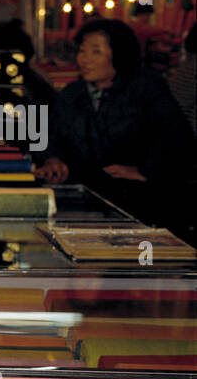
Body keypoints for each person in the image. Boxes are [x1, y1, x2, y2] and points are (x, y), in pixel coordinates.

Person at [35, 18, 195, 237]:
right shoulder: (72, 94)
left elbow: (177, 138)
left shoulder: (146, 89)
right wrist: (54, 160)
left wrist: (145, 171)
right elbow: (52, 135)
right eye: (82, 51)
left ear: (119, 55)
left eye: (96, 52)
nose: (85, 59)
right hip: (85, 207)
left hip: (140, 207)